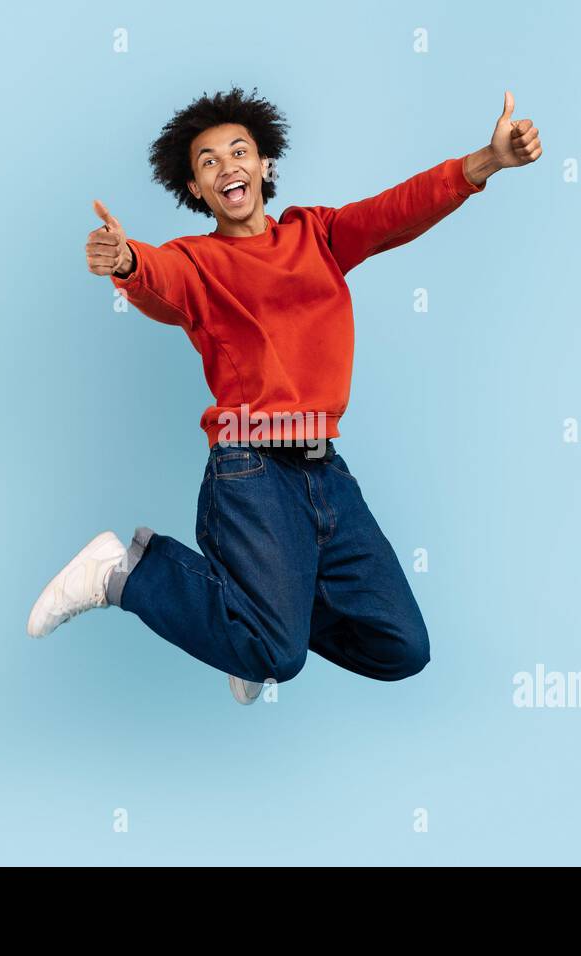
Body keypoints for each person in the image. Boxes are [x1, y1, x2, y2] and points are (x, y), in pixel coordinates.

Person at [27, 85, 542, 704]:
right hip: (252, 470)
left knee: (403, 648)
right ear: (195, 189)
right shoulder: (196, 261)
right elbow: (157, 279)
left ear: (265, 164)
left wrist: (486, 162)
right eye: (208, 162)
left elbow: (395, 210)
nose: (227, 167)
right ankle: (125, 573)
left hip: (327, 477)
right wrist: (126, 260)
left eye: (238, 151)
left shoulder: (317, 235)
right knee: (279, 656)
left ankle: (247, 617)